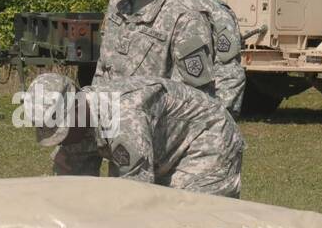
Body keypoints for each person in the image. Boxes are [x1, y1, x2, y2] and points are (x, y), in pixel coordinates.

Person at [22, 72, 244, 197]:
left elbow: (136, 195)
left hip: (206, 138)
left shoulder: (124, 118)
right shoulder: (78, 124)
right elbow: (69, 188)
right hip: (164, 145)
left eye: (62, 132)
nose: (64, 141)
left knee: (191, 217)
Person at [170, 0, 246, 116]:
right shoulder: (154, 6)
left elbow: (229, 70)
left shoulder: (211, 9)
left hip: (194, 114)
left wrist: (218, 118)